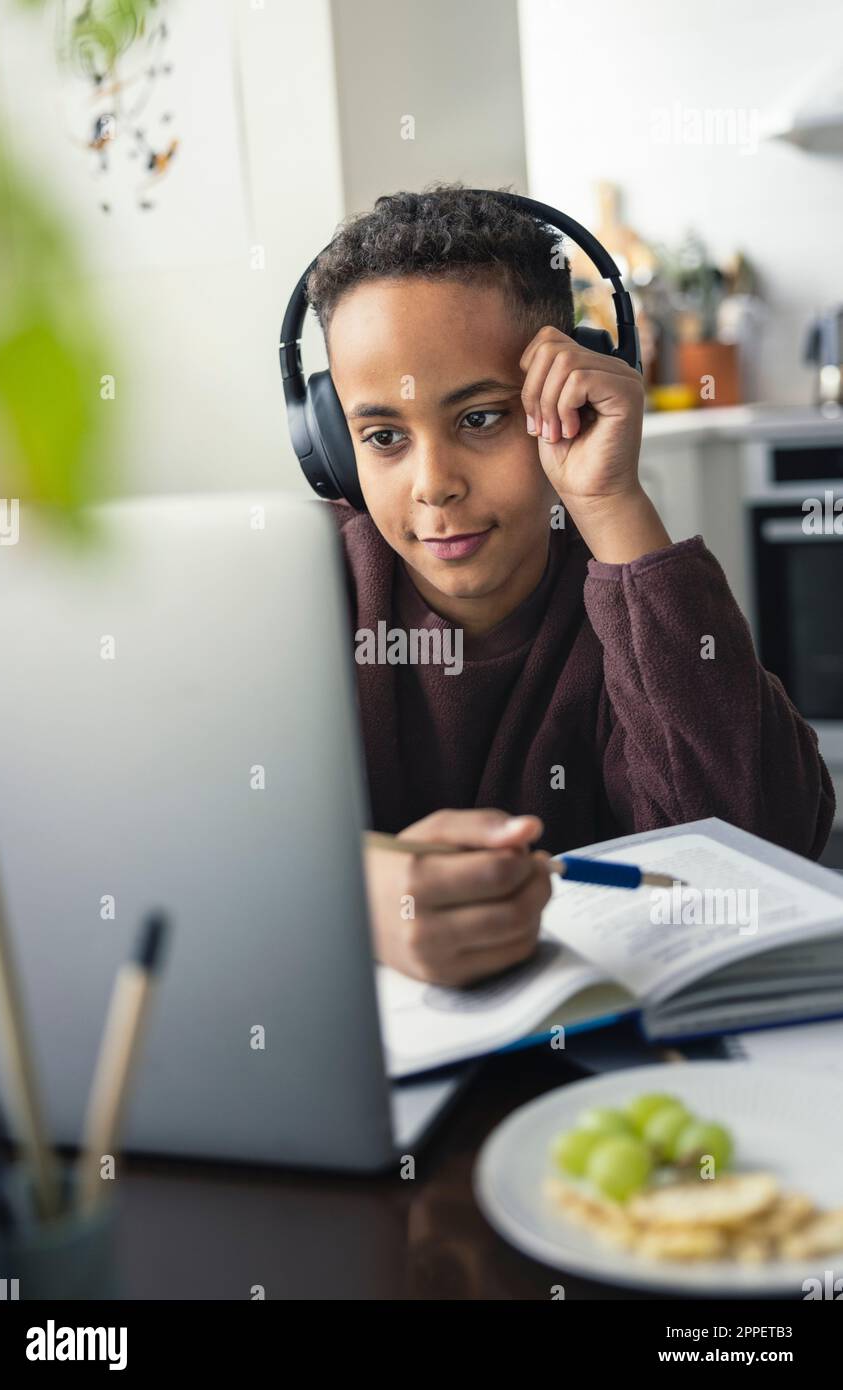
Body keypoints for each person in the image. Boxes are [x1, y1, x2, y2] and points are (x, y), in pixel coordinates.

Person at [303, 185, 835, 987]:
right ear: (331, 449)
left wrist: (612, 506)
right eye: (382, 437)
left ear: (568, 399)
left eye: (480, 418)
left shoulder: (631, 602)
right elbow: (184, 839)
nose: (433, 485)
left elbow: (761, 844)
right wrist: (349, 891)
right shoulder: (294, 604)